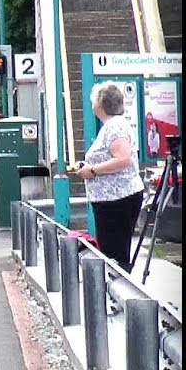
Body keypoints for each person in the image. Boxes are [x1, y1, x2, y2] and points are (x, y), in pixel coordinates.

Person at [73, 83, 145, 273]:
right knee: (115, 250)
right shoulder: (114, 125)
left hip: (116, 201)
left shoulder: (115, 127)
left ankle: (117, 293)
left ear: (99, 105)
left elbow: (123, 159)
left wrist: (93, 170)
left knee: (114, 254)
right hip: (114, 199)